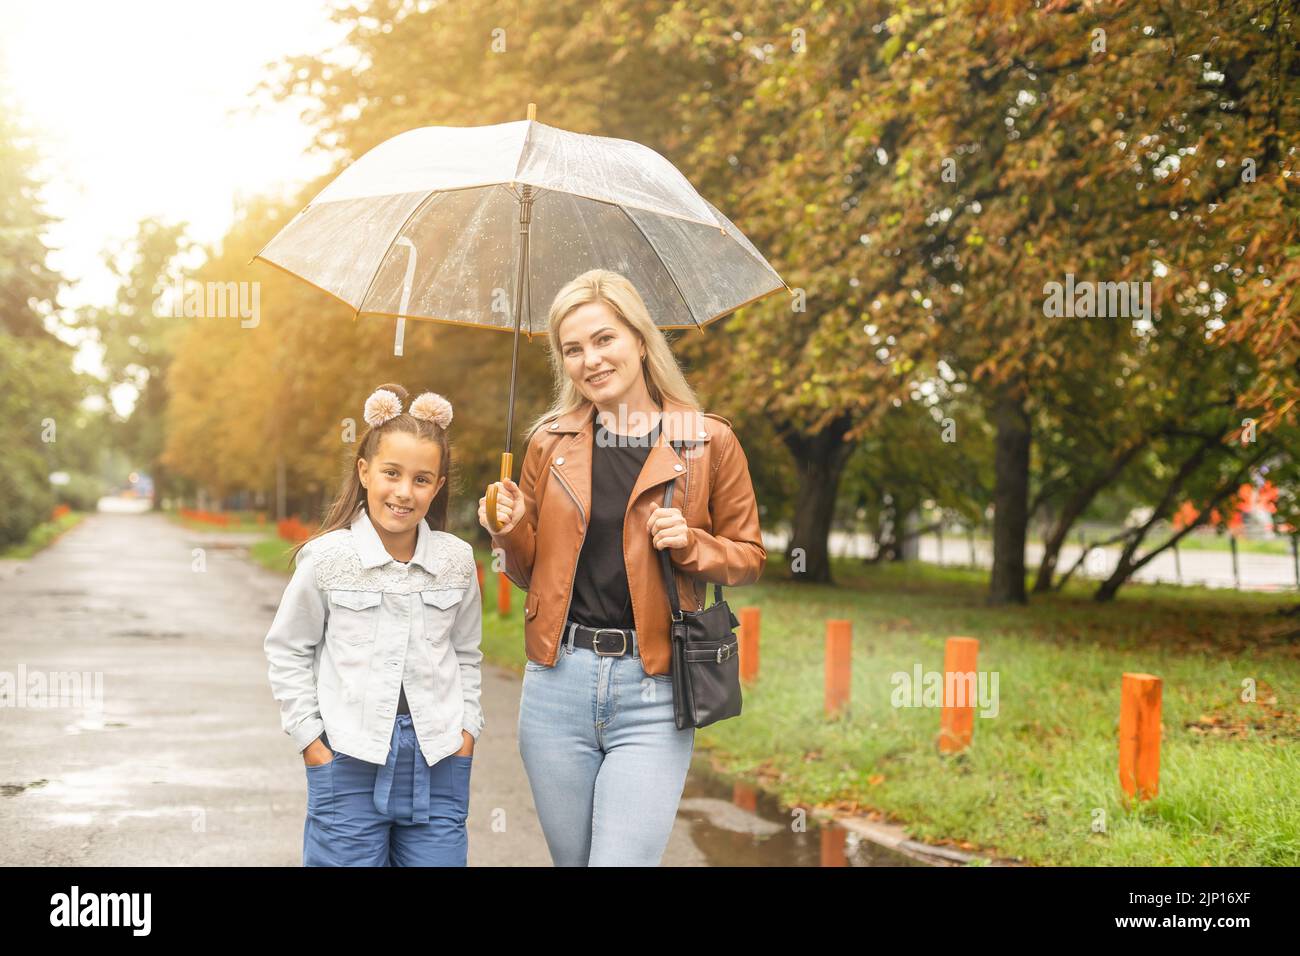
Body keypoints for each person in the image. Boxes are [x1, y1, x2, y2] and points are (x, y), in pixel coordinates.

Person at [479, 268, 766, 866]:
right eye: (573, 349)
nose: (591, 360)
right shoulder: (548, 443)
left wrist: (692, 544)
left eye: (604, 339)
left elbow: (749, 557)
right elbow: (528, 572)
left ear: (640, 339)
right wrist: (506, 530)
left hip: (655, 687)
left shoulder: (706, 440)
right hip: (557, 686)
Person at [264, 383, 483, 866]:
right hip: (347, 757)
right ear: (365, 472)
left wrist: (468, 729)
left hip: (439, 756)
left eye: (422, 479)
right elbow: (288, 649)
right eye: (391, 474)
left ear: (438, 486)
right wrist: (310, 741)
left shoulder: (457, 561)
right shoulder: (327, 558)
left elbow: (466, 653)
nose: (404, 492)